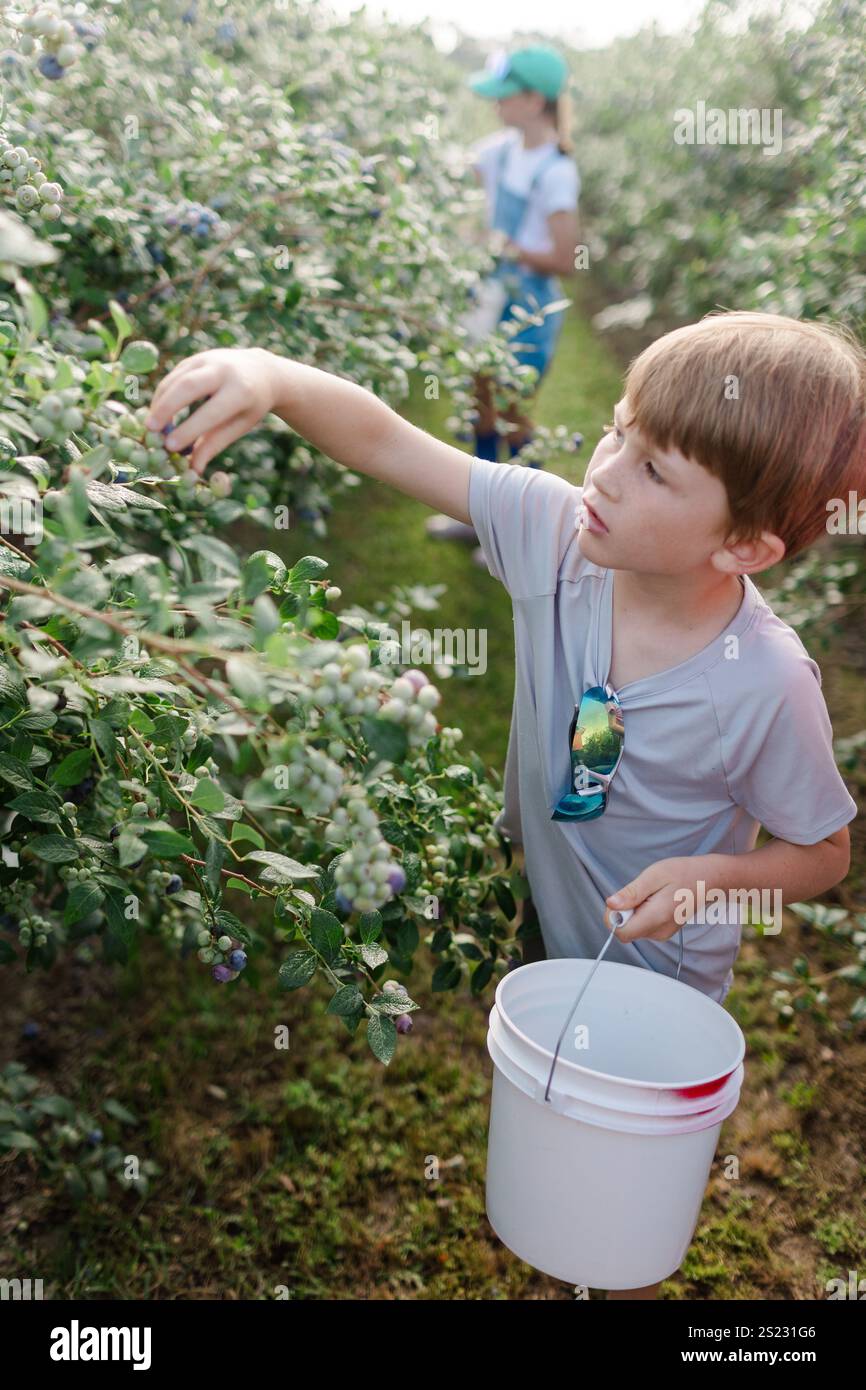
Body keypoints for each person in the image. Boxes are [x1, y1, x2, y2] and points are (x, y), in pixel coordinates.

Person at [144, 308, 861, 1299]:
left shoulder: (761, 685)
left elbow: (823, 851)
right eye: (617, 430)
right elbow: (389, 442)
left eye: (655, 470)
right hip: (547, 911)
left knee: (616, 1193)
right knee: (544, 1116)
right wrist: (269, 375)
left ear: (742, 547)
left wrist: (713, 881)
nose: (604, 471)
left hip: (650, 973)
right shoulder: (556, 538)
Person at [425, 44, 580, 561]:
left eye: (505, 96)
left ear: (535, 100)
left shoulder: (557, 171)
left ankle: (523, 528)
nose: (496, 105)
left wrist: (505, 248)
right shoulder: (500, 150)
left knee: (515, 416)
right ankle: (479, 517)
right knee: (481, 405)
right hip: (489, 296)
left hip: (528, 307)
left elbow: (564, 256)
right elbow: (454, 179)